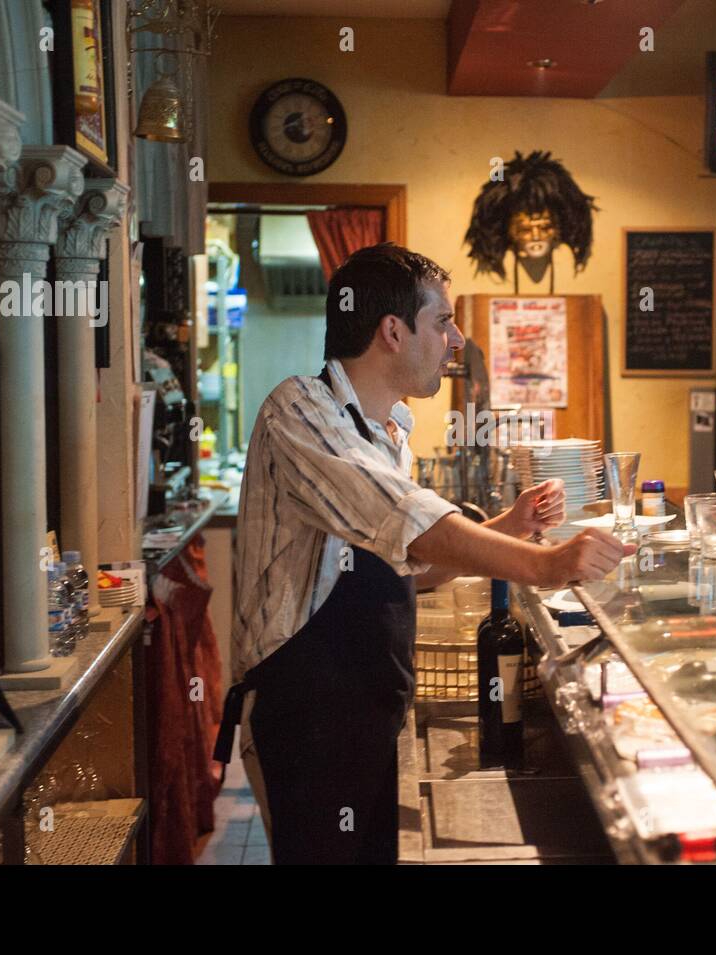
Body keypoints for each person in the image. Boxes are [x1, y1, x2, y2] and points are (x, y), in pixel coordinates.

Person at [215, 243, 632, 864]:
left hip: (370, 706)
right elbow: (402, 521)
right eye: (443, 321)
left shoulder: (389, 429)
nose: (457, 340)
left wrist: (509, 526)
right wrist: (545, 565)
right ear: (391, 331)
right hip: (308, 720)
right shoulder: (299, 410)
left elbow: (411, 561)